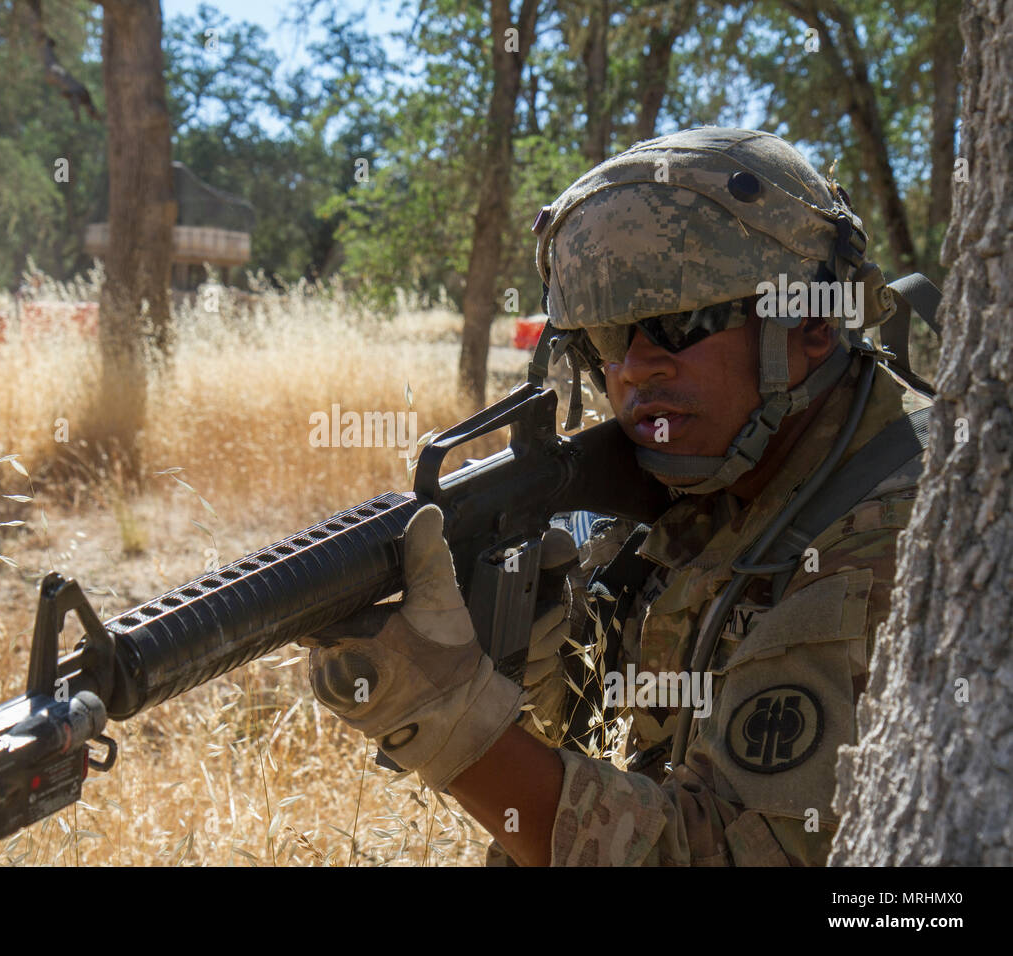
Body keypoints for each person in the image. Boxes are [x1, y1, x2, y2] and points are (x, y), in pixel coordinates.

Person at [304, 127, 936, 866]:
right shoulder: (709, 473)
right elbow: (649, 734)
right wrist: (551, 669)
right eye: (606, 336)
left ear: (813, 323)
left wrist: (450, 722)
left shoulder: (901, 529)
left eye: (677, 323)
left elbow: (718, 854)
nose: (635, 369)